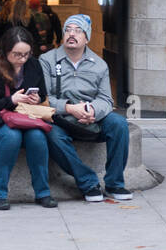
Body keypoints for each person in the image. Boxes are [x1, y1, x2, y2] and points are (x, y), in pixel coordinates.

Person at [39, 13, 132, 203]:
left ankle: (115, 183)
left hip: (91, 120)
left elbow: (106, 100)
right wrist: (71, 108)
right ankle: (88, 183)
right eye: (68, 30)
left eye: (78, 30)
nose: (71, 34)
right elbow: (44, 99)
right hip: (62, 119)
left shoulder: (99, 65)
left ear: (87, 37)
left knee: (119, 124)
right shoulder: (47, 60)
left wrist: (92, 110)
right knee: (51, 133)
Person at [0, 26, 57, 210]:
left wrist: (37, 99)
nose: (22, 59)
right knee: (11, 137)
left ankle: (42, 192)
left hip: (26, 117)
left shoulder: (33, 65)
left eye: (26, 54)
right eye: (17, 54)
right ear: (6, 52)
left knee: (37, 137)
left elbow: (42, 93)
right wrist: (10, 100)